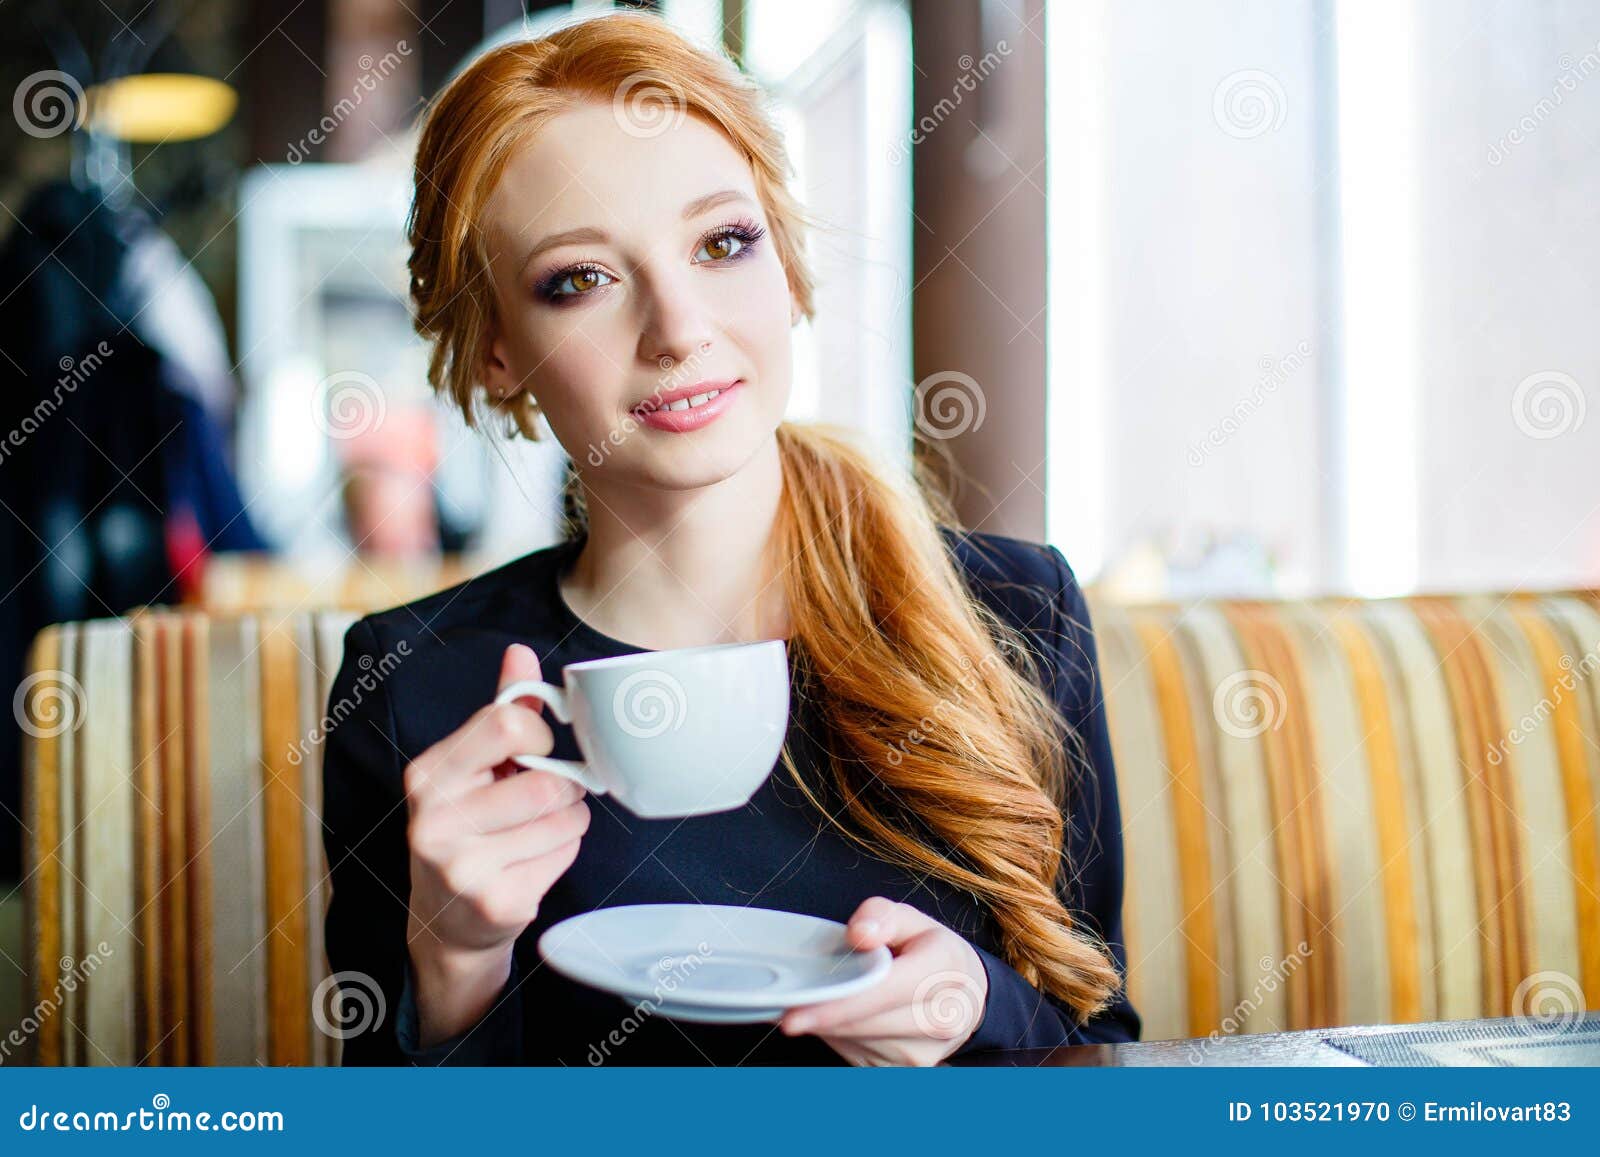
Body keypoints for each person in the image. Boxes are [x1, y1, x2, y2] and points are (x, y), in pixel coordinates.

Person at [320, 9, 1139, 1066]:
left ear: (787, 268)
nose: (678, 327)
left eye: (722, 243)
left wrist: (975, 1004)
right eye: (580, 278)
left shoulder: (1015, 612)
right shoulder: (412, 686)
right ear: (494, 353)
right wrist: (454, 964)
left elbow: (1107, 1047)